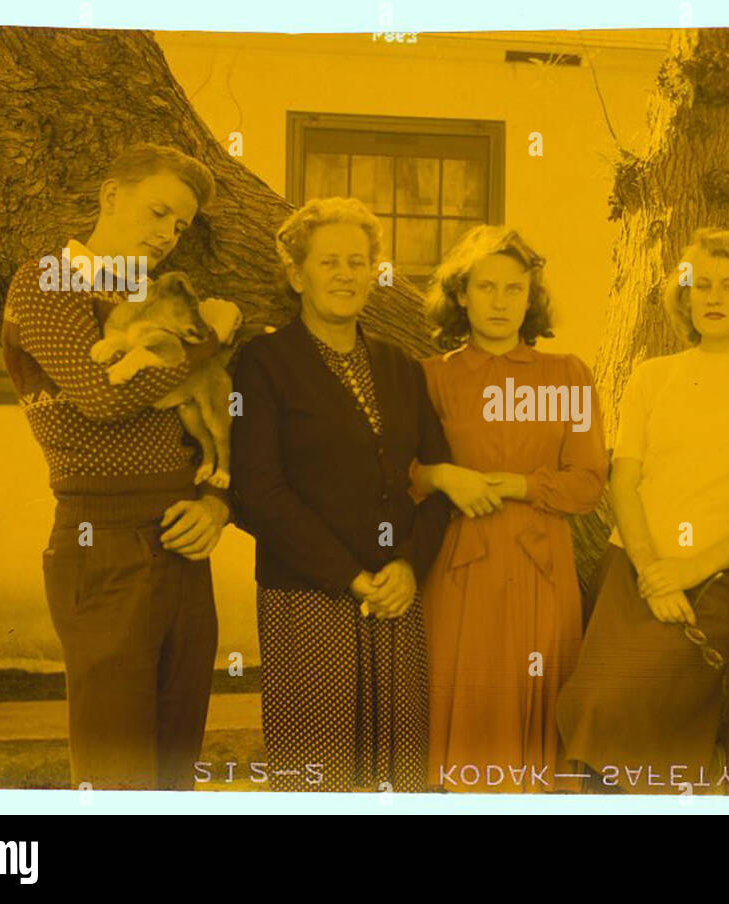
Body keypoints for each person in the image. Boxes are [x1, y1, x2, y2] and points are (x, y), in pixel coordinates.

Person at [2, 143, 243, 790]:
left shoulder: (152, 298)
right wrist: (210, 337)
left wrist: (218, 503)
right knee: (116, 775)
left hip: (186, 539)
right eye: (158, 211)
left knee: (173, 768)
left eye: (179, 225)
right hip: (101, 541)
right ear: (111, 197)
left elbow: (210, 412)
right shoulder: (46, 281)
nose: (167, 234)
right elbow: (103, 395)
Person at [557, 229, 729, 793]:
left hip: (714, 578)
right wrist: (652, 571)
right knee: (591, 706)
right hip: (633, 570)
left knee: (648, 715)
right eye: (702, 286)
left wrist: (688, 573)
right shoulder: (653, 374)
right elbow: (624, 479)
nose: (713, 297)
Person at [231, 197, 453, 792]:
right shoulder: (264, 363)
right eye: (328, 262)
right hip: (309, 594)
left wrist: (409, 565)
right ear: (297, 275)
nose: (345, 274)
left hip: (398, 596)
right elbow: (257, 493)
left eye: (358, 262)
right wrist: (353, 578)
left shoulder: (400, 364)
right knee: (318, 774)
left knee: (397, 770)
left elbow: (438, 477)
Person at [413, 226, 608, 793]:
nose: (500, 302)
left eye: (514, 289)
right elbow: (402, 475)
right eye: (486, 287)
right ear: (461, 295)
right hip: (458, 569)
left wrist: (523, 485)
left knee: (536, 709)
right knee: (466, 707)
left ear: (531, 298)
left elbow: (589, 483)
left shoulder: (566, 374)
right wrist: (442, 476)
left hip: (541, 568)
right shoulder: (433, 376)